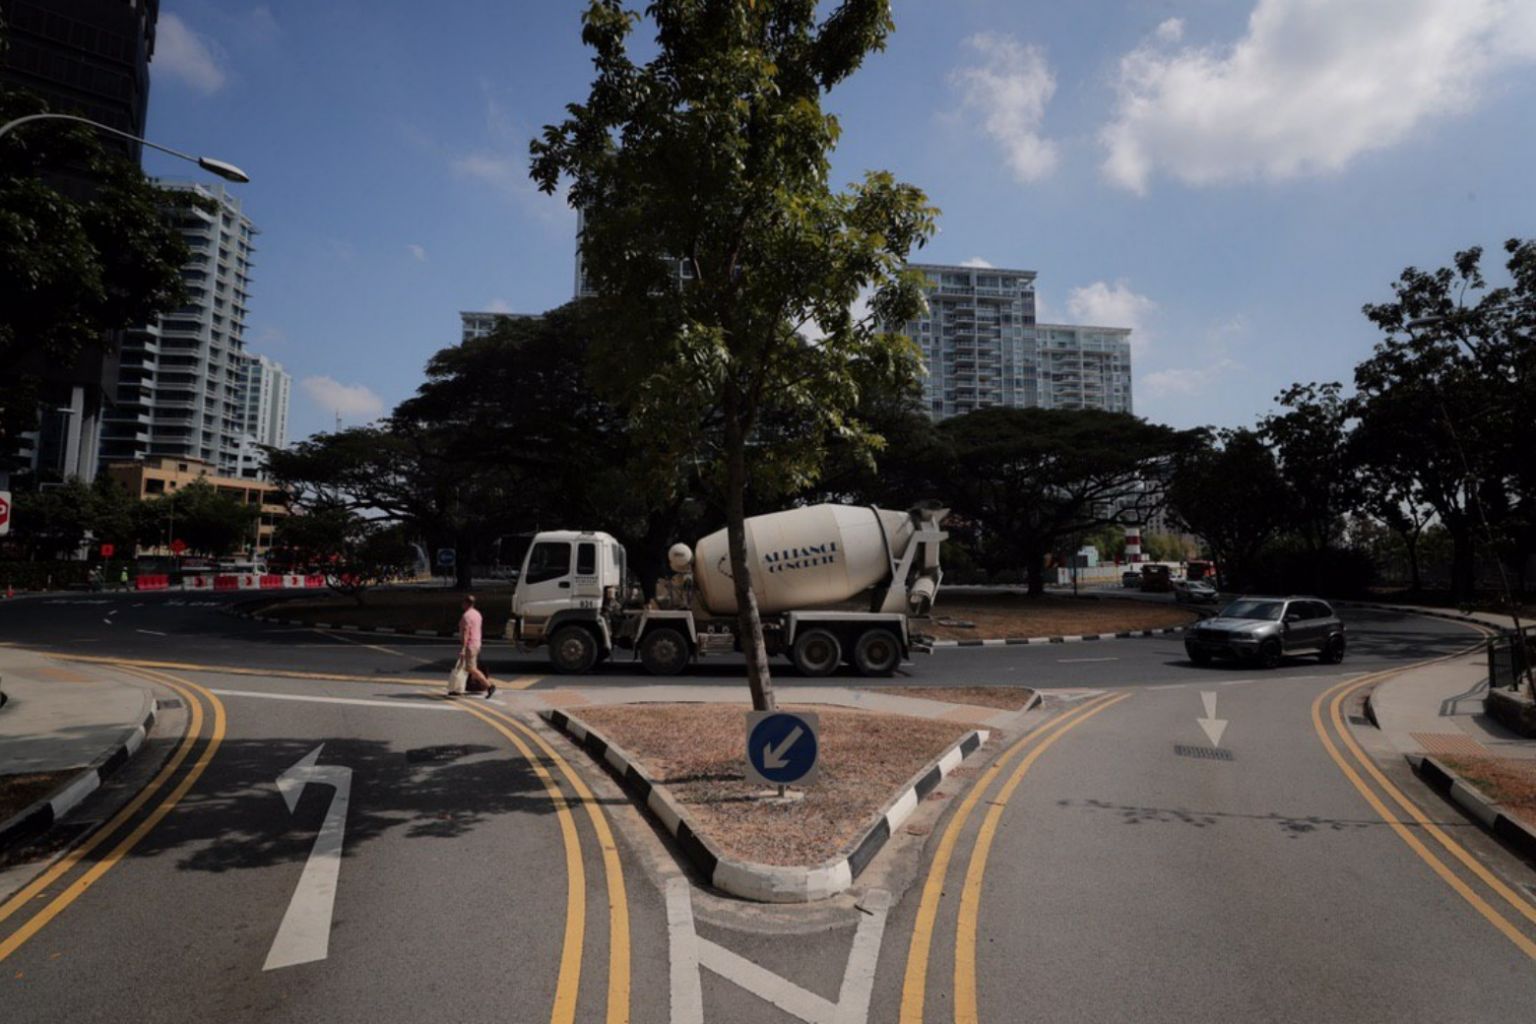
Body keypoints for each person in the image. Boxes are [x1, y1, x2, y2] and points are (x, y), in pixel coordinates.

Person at [455, 594, 496, 698]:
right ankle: (459, 688)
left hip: (470, 645)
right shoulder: (477, 614)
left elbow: (466, 633)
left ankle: (489, 686)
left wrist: (463, 649)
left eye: (463, 602)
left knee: (471, 668)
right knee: (466, 667)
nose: (461, 604)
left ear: (466, 603)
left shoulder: (466, 616)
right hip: (477, 643)